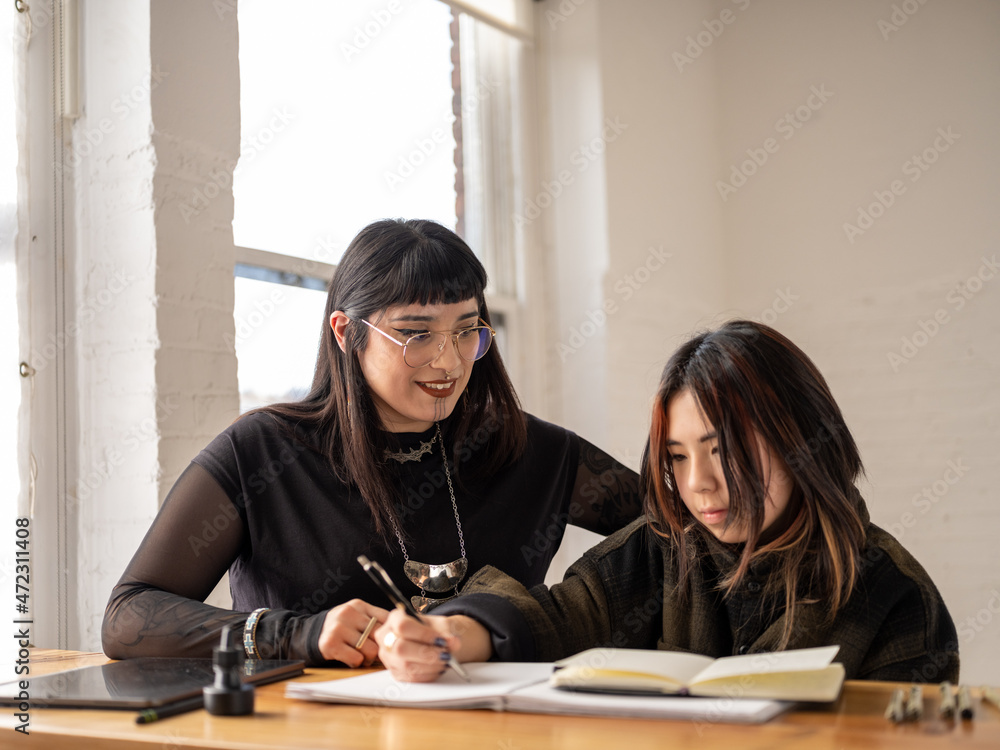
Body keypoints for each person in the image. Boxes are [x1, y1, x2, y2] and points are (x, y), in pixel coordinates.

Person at [101, 219, 641, 668]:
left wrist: (571, 610)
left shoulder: (531, 450)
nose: (449, 362)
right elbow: (127, 616)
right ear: (345, 332)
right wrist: (296, 634)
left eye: (466, 330)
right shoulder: (261, 453)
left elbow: (676, 526)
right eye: (416, 333)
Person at [375, 320, 960, 684]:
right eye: (677, 457)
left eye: (723, 450)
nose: (698, 483)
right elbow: (554, 616)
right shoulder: (661, 549)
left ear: (800, 440)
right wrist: (448, 637)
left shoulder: (895, 595)